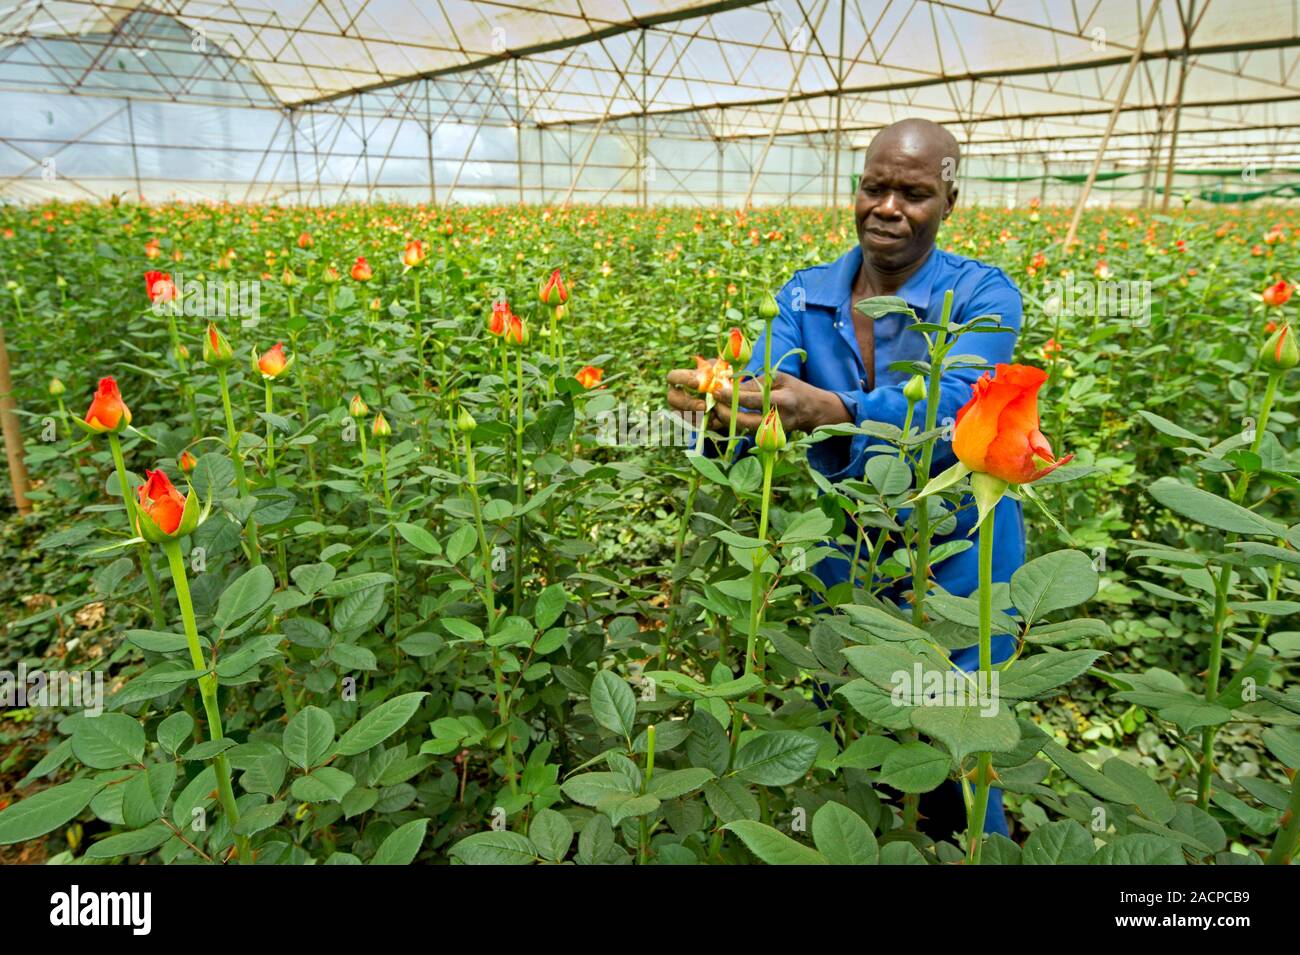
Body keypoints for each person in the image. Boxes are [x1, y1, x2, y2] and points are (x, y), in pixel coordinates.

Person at [666, 118, 1025, 840]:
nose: (887, 207)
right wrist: (721, 408)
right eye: (873, 187)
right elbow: (766, 392)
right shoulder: (805, 296)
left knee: (958, 741)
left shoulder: (981, 295)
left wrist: (837, 409)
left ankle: (976, 848)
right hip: (846, 555)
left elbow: (964, 407)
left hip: (960, 559)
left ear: (950, 202)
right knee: (852, 735)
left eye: (913, 194)